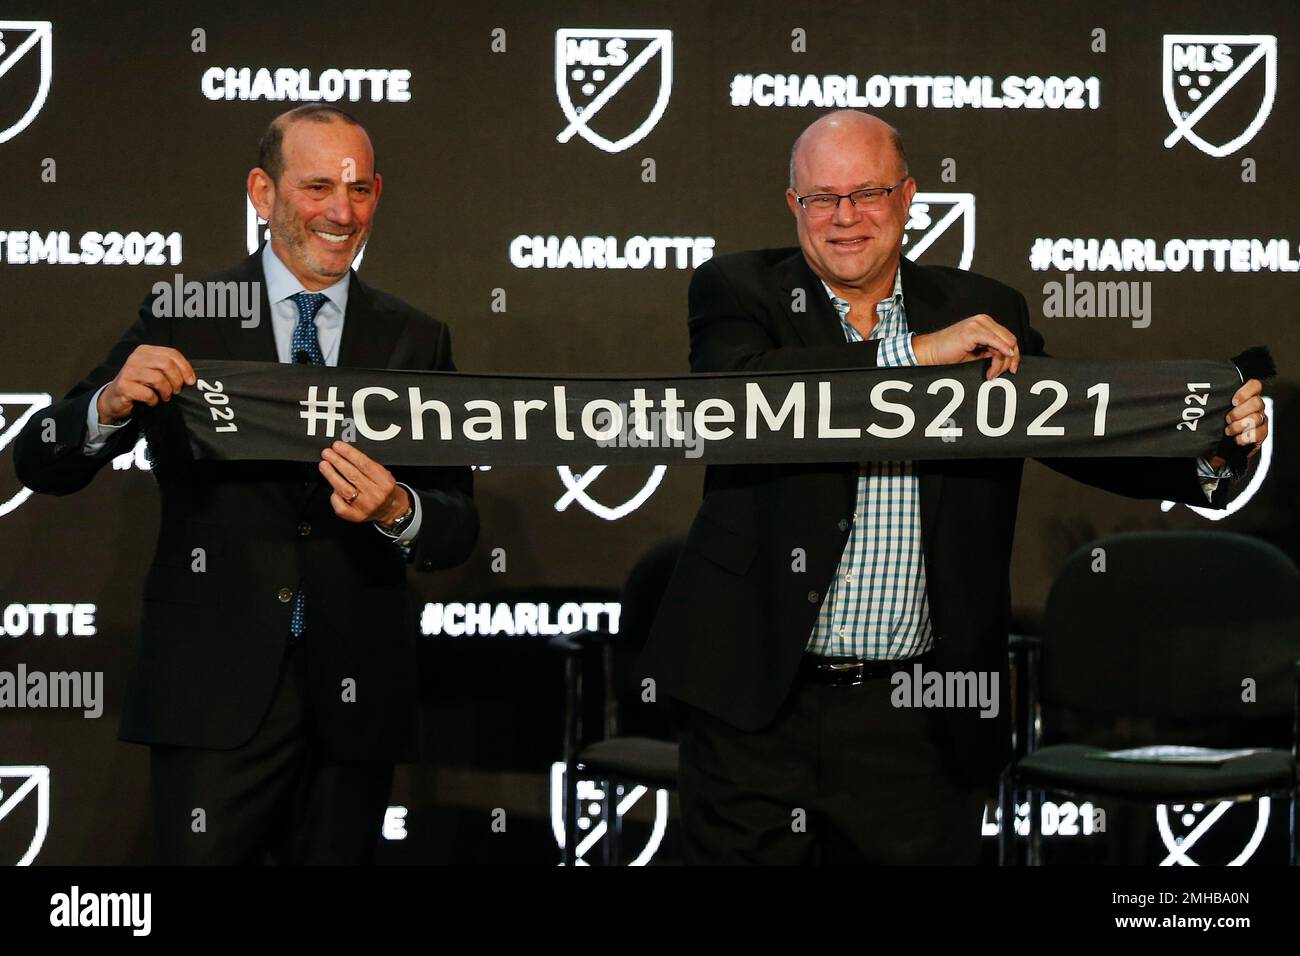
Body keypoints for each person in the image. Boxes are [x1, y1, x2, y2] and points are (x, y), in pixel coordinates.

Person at [640, 110, 1269, 865]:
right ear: (793, 205)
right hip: (754, 703)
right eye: (822, 198)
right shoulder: (737, 290)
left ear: (908, 198)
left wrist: (1205, 442)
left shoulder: (985, 309)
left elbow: (1073, 427)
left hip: (921, 717)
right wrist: (913, 356)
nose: (845, 217)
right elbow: (745, 399)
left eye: (867, 193)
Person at [13, 104, 478, 864]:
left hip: (356, 696)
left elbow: (457, 524)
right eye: (318, 187)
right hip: (211, 691)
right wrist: (108, 405)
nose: (341, 211)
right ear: (263, 193)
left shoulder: (416, 338)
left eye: (359, 190)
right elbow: (40, 461)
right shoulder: (184, 315)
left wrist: (399, 509)